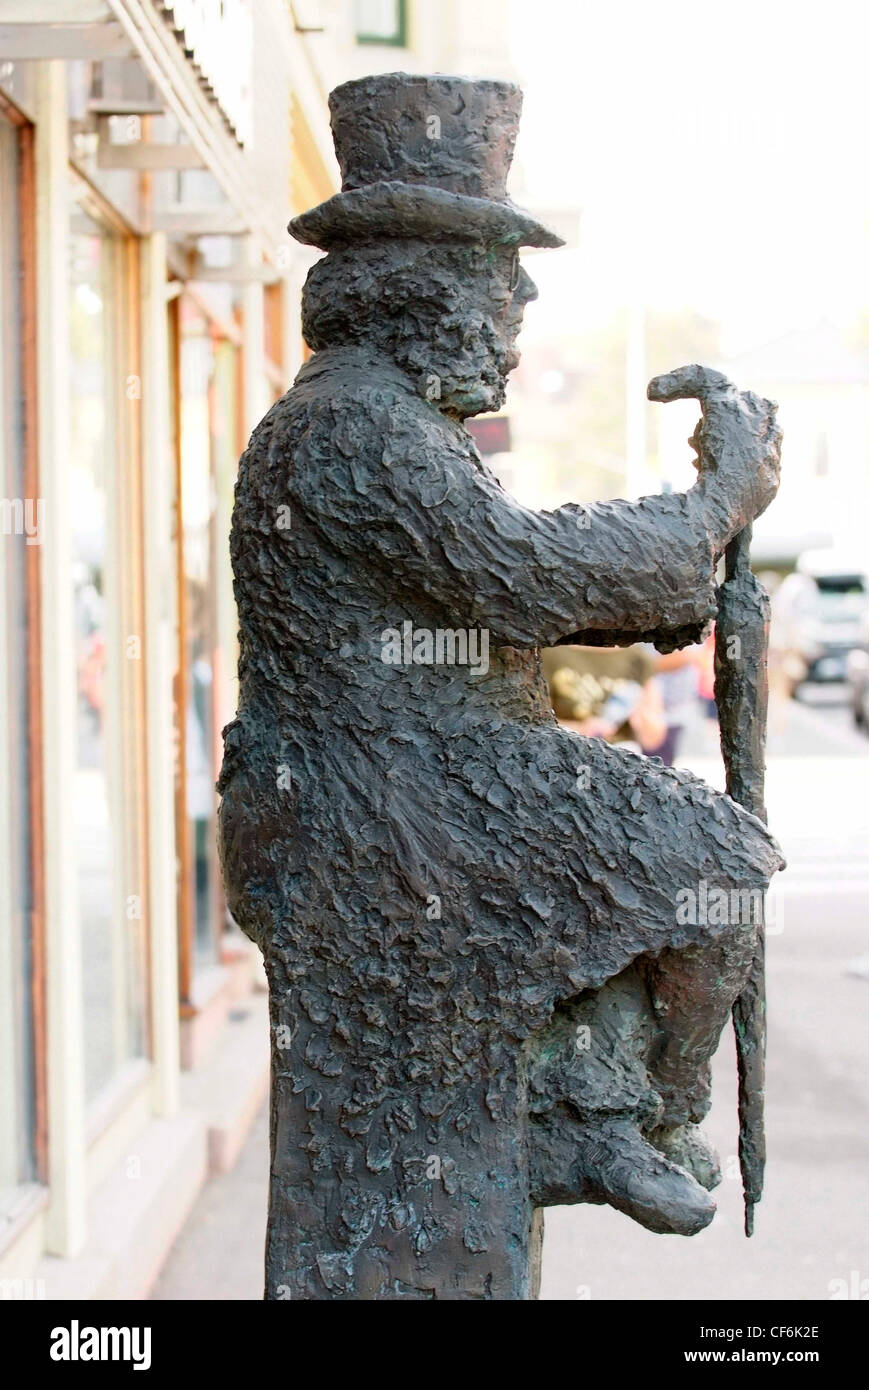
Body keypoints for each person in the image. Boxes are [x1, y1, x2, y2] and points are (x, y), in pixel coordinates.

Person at [218, 73, 783, 1299]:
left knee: (707, 873)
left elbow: (512, 575)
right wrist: (709, 512)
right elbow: (518, 577)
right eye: (499, 278)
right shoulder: (354, 429)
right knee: (718, 869)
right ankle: (621, 1112)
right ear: (423, 293)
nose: (517, 306)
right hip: (393, 807)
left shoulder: (387, 425)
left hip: (431, 776)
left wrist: (682, 559)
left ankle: (593, 1104)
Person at [542, 643, 667, 753]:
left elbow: (653, 739)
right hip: (566, 752)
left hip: (620, 755)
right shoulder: (552, 653)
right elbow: (538, 723)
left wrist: (642, 720)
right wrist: (579, 729)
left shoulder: (637, 657)